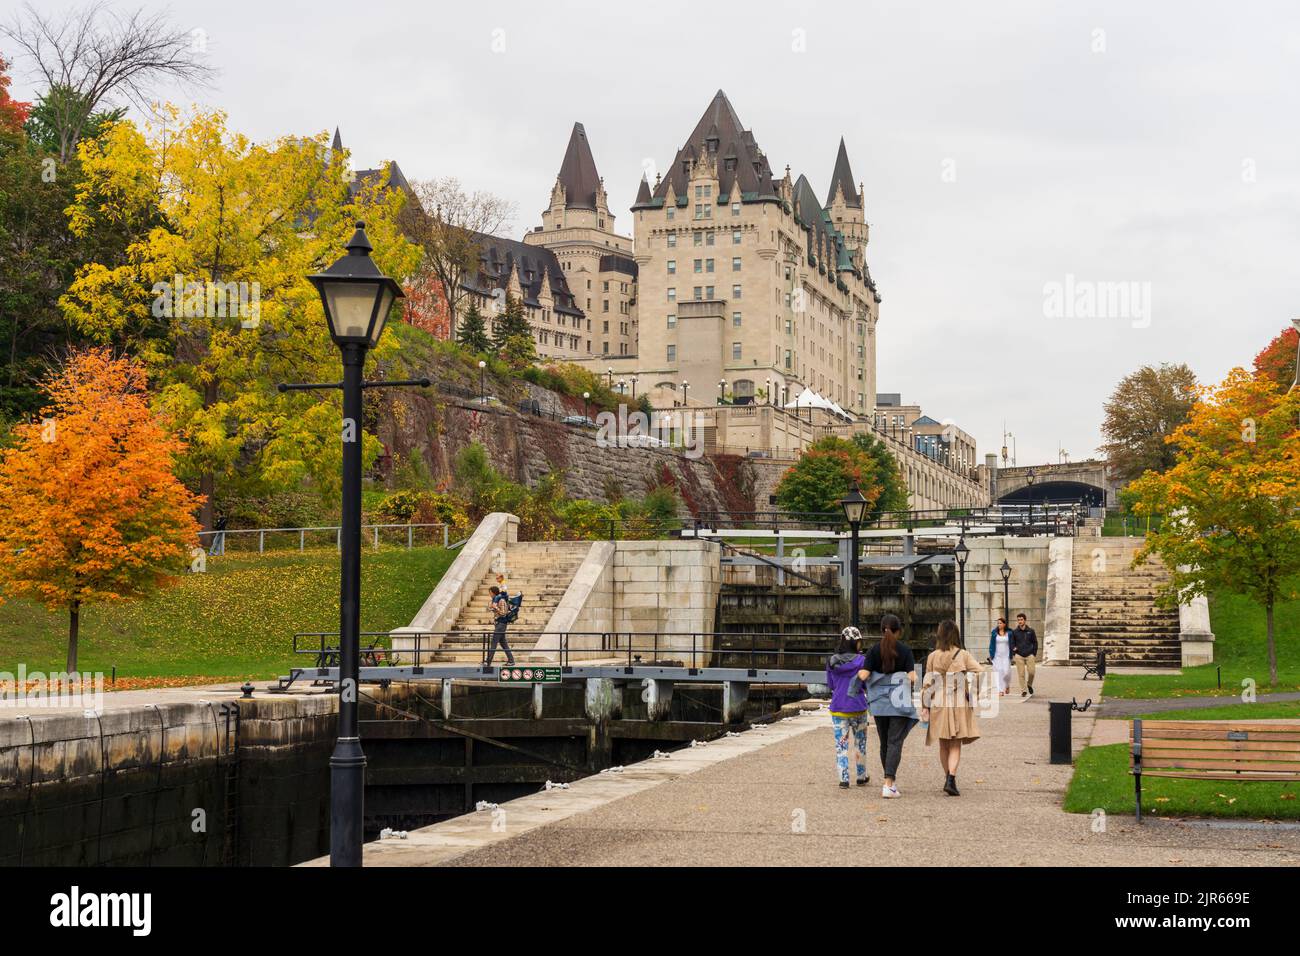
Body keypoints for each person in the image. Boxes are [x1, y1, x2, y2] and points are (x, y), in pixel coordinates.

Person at [921, 619, 982, 796]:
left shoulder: (933, 656)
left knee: (943, 744)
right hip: (958, 700)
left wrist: (925, 704)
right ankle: (951, 778)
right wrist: (971, 691)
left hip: (938, 700)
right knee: (956, 743)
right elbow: (980, 671)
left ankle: (947, 776)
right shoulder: (962, 654)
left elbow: (927, 683)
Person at [861, 613, 918, 799]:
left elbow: (863, 674)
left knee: (885, 742)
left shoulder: (873, 651)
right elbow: (912, 676)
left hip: (879, 704)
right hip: (899, 703)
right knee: (895, 742)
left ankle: (889, 782)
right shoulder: (905, 650)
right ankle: (888, 783)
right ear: (898, 631)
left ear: (881, 630)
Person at [824, 626, 871, 789]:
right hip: (858, 706)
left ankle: (844, 778)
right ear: (855, 643)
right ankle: (861, 776)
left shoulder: (831, 661)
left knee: (841, 746)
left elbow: (830, 684)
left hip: (838, 707)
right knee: (860, 744)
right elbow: (865, 684)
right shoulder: (862, 661)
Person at [486, 585, 515, 667]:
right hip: (498, 624)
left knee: (494, 642)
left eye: (490, 593)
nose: (490, 594)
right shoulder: (495, 600)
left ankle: (488, 661)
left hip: (501, 624)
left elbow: (503, 613)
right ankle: (511, 660)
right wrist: (491, 607)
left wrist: (496, 608)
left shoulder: (501, 600)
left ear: (493, 592)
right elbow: (492, 610)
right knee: (503, 643)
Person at [1012, 612, 1039, 697]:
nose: (1020, 621)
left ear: (1025, 620)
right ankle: (1023, 690)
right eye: (1018, 620)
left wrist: (1033, 653)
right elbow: (1012, 643)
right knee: (1021, 674)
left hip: (1029, 655)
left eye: (1021, 620)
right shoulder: (1015, 632)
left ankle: (1029, 684)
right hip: (1019, 655)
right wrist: (1014, 652)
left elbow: (1035, 642)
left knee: (1031, 672)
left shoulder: (1031, 631)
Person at [988, 617, 1013, 697]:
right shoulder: (994, 633)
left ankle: (1007, 685)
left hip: (1006, 656)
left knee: (1006, 672)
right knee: (999, 672)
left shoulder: (1009, 633)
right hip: (997, 656)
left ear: (1004, 624)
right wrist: (991, 654)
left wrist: (1014, 650)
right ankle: (1000, 690)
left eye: (1000, 623)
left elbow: (1012, 643)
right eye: (998, 623)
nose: (999, 624)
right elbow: (991, 644)